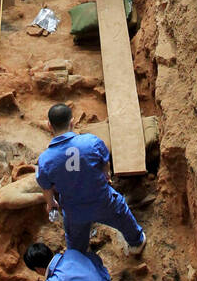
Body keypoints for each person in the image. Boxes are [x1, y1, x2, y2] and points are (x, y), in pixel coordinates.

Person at [36, 103, 146, 255]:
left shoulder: (45, 160)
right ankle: (136, 243)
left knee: (74, 239)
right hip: (102, 201)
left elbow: (46, 187)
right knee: (121, 212)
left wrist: (51, 204)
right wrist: (106, 175)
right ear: (72, 122)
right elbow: (105, 163)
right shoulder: (91, 142)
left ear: (49, 126)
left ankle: (79, 256)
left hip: (74, 210)